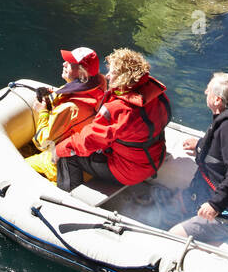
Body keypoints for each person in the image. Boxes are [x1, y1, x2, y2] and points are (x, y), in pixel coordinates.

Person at [54, 48, 170, 192]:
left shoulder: (118, 110)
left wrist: (58, 150)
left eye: (113, 72)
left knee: (68, 155)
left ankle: (66, 195)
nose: (107, 76)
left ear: (124, 78)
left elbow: (87, 141)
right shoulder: (157, 96)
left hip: (128, 172)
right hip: (154, 159)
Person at [170, 73, 228, 244]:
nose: (205, 92)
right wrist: (199, 146)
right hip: (203, 193)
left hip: (225, 212)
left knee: (173, 235)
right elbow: (222, 151)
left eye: (209, 90)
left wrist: (216, 205)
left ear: (218, 100)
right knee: (170, 205)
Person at [25, 47, 106, 182]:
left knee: (22, 165)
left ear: (82, 73)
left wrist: (43, 111)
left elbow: (43, 143)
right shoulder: (99, 84)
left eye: (69, 63)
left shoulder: (70, 109)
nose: (64, 63)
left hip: (61, 164)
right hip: (87, 158)